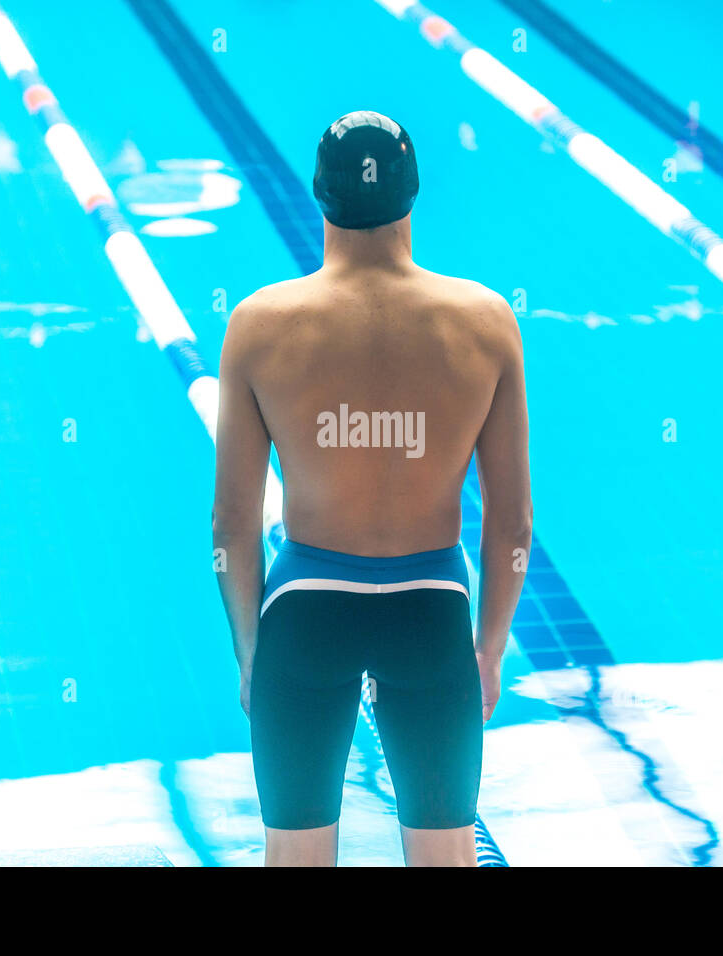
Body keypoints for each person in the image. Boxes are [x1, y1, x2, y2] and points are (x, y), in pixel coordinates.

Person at [212, 111, 531, 866]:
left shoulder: (260, 324)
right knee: (447, 854)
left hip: (304, 613)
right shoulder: (486, 321)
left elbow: (230, 525)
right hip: (432, 613)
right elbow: (512, 526)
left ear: (319, 196)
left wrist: (253, 652)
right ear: (413, 195)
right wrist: (485, 651)